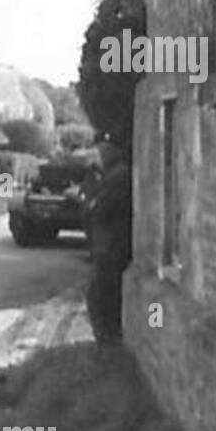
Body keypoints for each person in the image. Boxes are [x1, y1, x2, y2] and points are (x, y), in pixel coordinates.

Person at [85, 140, 132, 343]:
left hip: (112, 246)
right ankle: (109, 339)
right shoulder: (115, 175)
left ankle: (108, 340)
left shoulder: (118, 176)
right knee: (102, 294)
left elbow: (101, 210)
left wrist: (91, 201)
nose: (100, 158)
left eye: (102, 154)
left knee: (102, 296)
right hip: (110, 244)